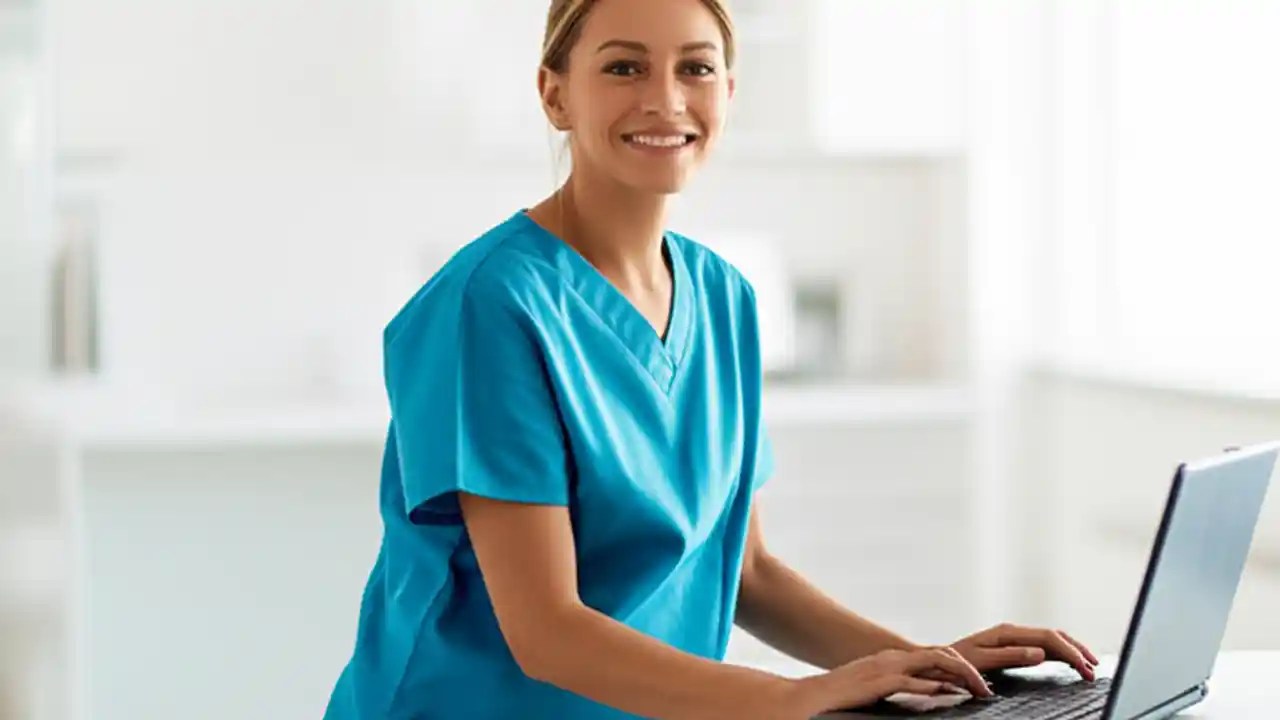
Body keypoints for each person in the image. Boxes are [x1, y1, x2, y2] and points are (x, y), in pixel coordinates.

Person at [323, 0, 1100, 717]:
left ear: (728, 90)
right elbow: (547, 631)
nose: (665, 98)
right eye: (624, 67)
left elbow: (748, 571)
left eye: (695, 67)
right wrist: (794, 698)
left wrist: (921, 662)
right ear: (555, 94)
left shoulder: (724, 297)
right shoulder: (489, 305)